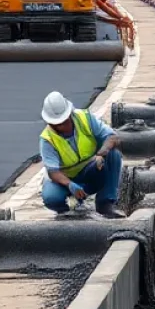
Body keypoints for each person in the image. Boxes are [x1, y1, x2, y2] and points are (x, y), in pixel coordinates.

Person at [39, 91, 125, 219]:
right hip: (66, 180)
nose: (63, 126)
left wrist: (102, 153)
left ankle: (105, 204)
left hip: (92, 171)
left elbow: (112, 137)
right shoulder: (47, 139)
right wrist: (70, 184)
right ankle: (69, 211)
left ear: (70, 114)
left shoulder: (84, 119)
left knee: (114, 154)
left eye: (64, 121)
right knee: (51, 197)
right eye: (58, 124)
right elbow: (53, 172)